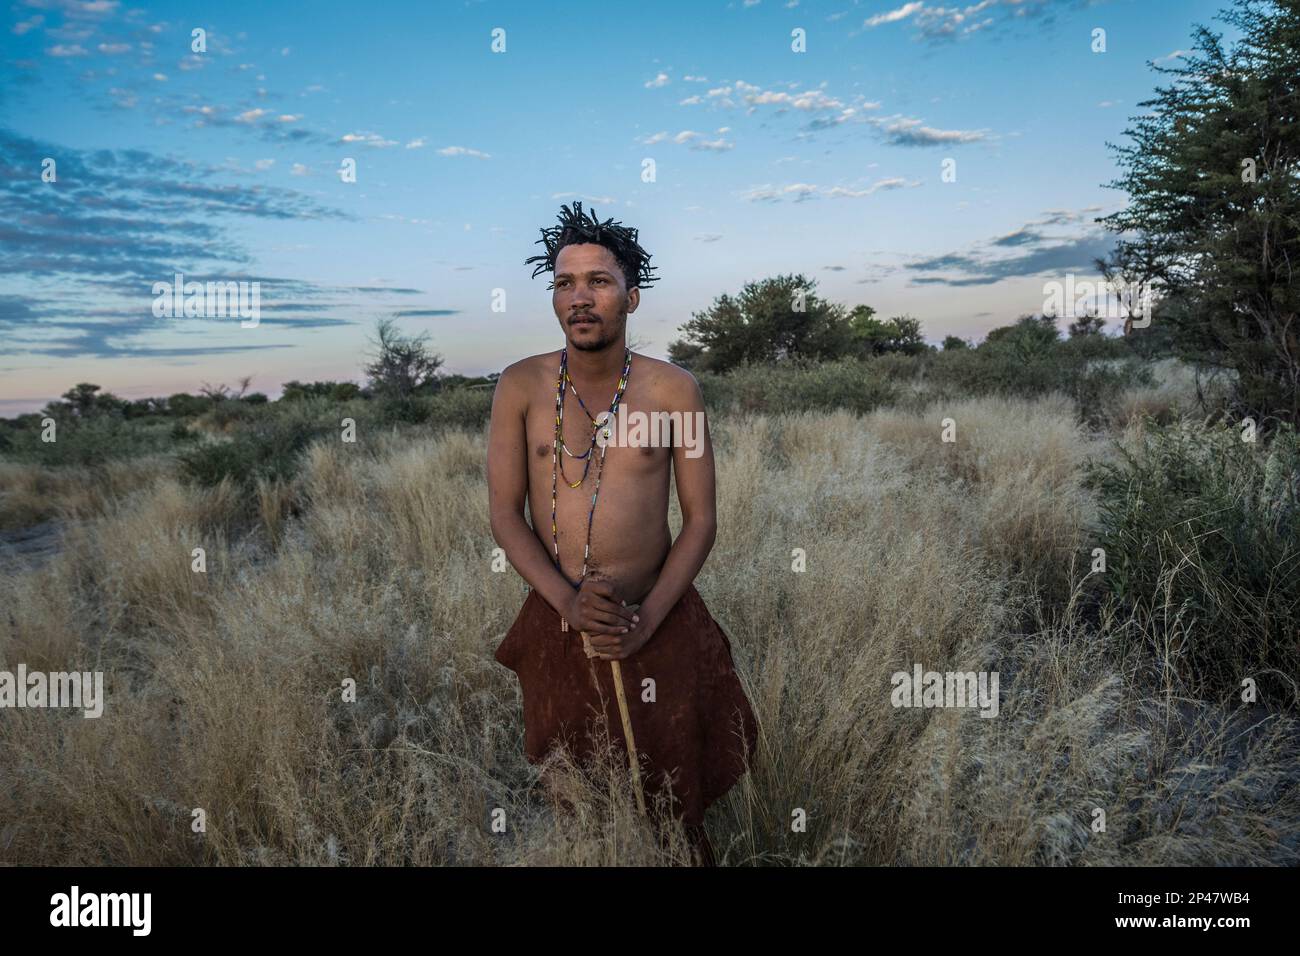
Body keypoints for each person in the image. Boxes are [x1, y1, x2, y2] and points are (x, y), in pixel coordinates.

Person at [487, 201, 759, 866]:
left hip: (659, 618)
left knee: (673, 791)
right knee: (573, 786)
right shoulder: (520, 387)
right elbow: (504, 516)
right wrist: (569, 604)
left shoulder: (674, 392)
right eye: (565, 283)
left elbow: (701, 521)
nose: (580, 298)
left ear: (631, 297)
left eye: (598, 282)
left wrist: (645, 620)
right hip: (558, 618)